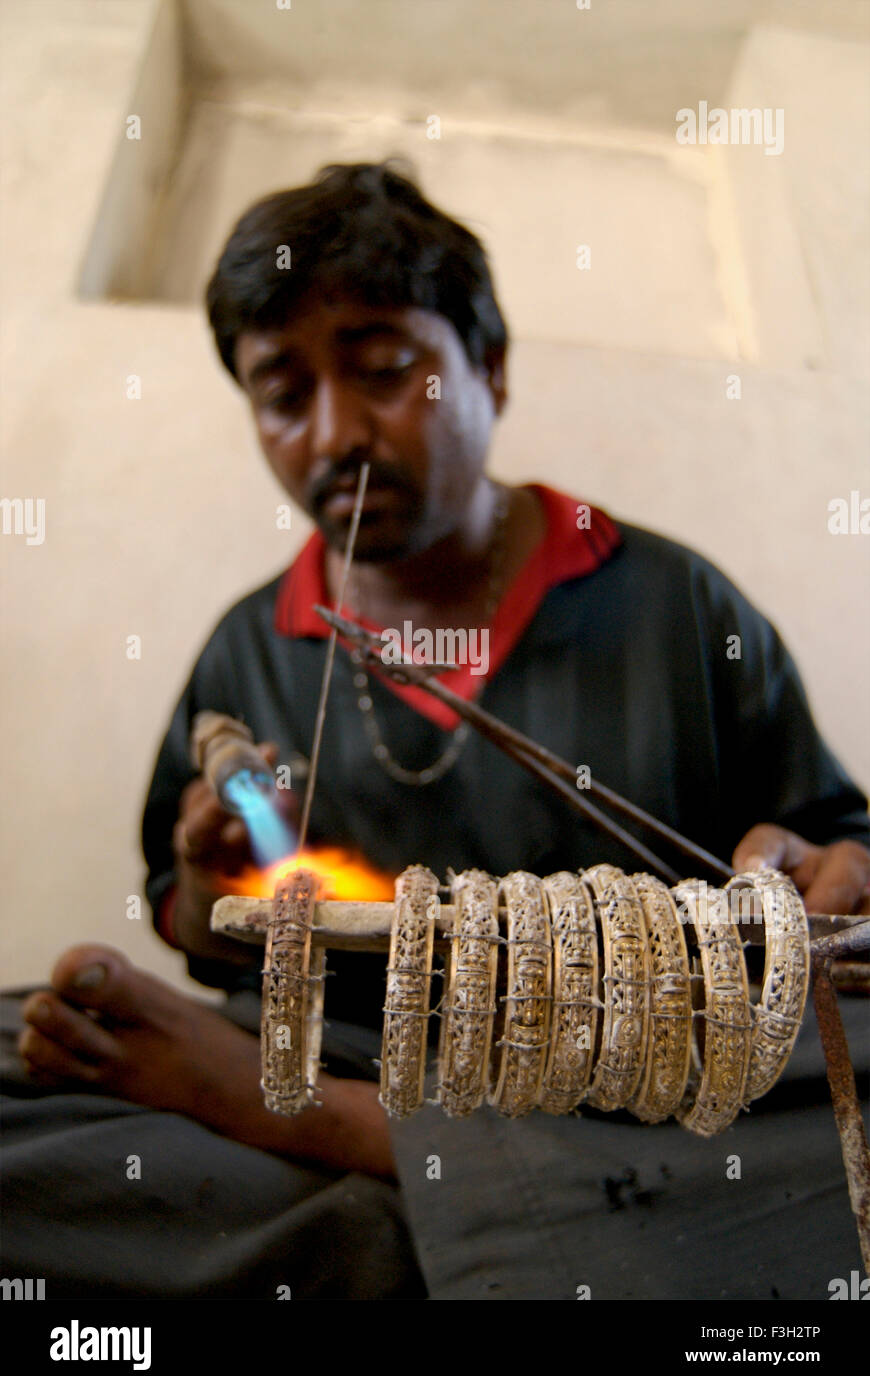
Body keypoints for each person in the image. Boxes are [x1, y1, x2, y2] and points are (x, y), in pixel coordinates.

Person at [3, 161, 869, 1301]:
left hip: (627, 1096)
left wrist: (818, 873)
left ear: (490, 369)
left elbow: (840, 855)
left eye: (383, 370)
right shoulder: (250, 646)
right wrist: (205, 896)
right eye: (282, 392)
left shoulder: (672, 603)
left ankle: (355, 1158)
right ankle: (437, 1192)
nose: (335, 434)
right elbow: (190, 929)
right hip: (348, 1054)